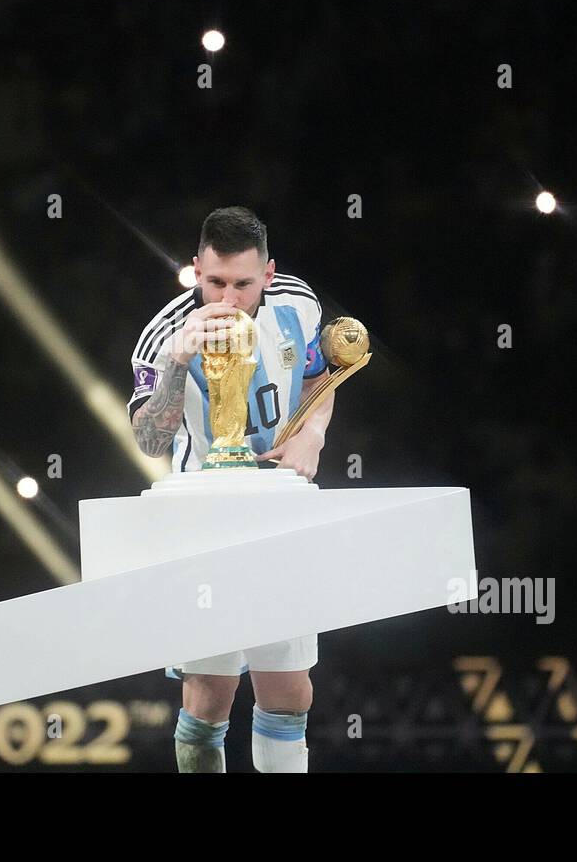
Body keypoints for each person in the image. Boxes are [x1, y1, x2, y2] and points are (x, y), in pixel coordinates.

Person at [128, 206, 335, 773]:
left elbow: (321, 372)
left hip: (279, 511)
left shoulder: (299, 304)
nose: (228, 297)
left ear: (268, 274)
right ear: (195, 270)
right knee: (209, 696)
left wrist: (312, 433)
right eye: (214, 281)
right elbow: (149, 440)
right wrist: (179, 360)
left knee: (289, 689)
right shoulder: (163, 334)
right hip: (203, 524)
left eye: (242, 284)